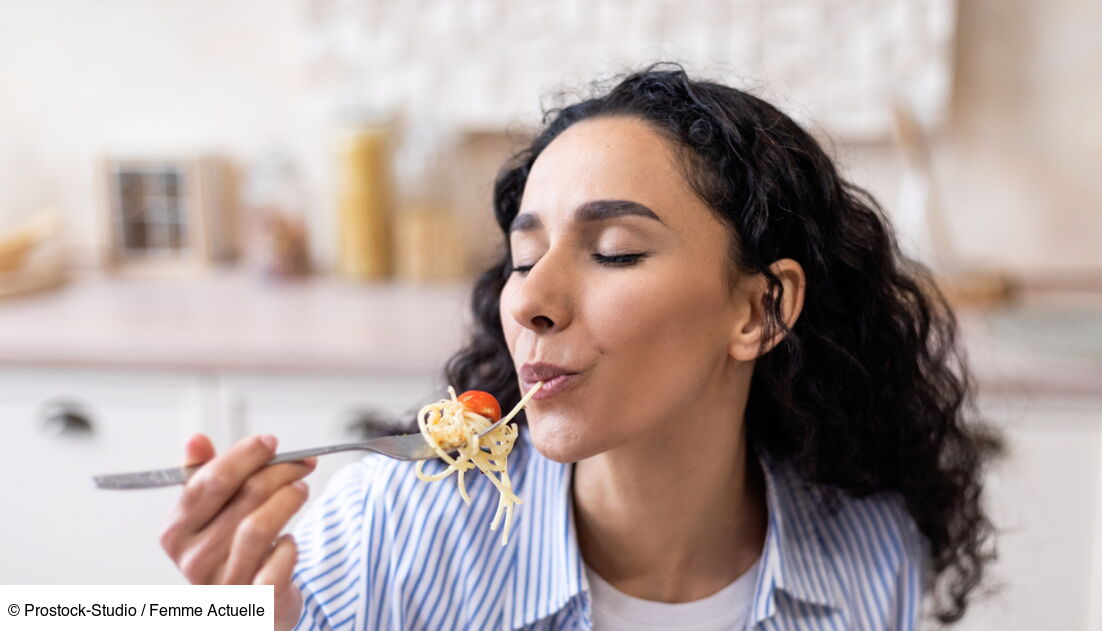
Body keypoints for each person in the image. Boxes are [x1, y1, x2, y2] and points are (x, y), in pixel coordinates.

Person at [159, 63, 1000, 630]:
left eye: (614, 253)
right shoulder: (387, 528)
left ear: (762, 309)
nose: (529, 297)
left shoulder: (873, 553)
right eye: (524, 258)